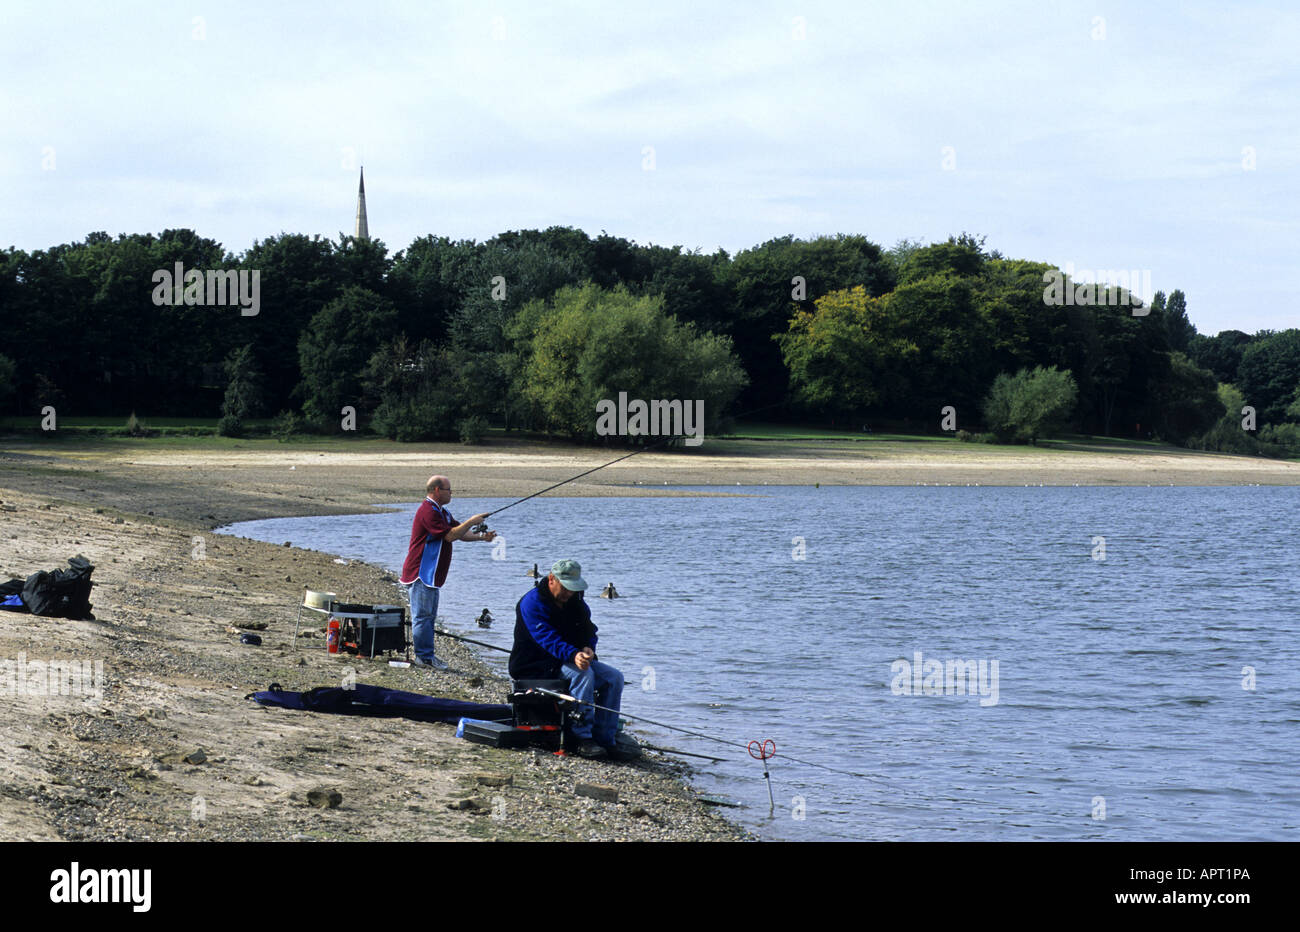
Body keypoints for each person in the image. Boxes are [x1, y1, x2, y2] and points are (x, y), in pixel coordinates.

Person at [509, 559, 627, 760]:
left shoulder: (577, 602)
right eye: (566, 588)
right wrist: (574, 655)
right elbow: (547, 639)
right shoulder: (531, 602)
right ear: (552, 579)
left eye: (573, 589)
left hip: (569, 659)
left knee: (614, 677)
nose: (569, 593)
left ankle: (606, 739)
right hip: (535, 665)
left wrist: (588, 648)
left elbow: (589, 631)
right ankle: (582, 738)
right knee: (584, 674)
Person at [399, 475, 494, 670]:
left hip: (431, 575)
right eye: (448, 490)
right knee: (422, 617)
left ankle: (427, 656)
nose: (451, 493)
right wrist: (471, 520)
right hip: (421, 573)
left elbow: (458, 532)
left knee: (429, 617)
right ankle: (424, 658)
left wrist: (482, 537)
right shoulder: (428, 511)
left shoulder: (441, 512)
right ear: (436, 490)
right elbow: (450, 536)